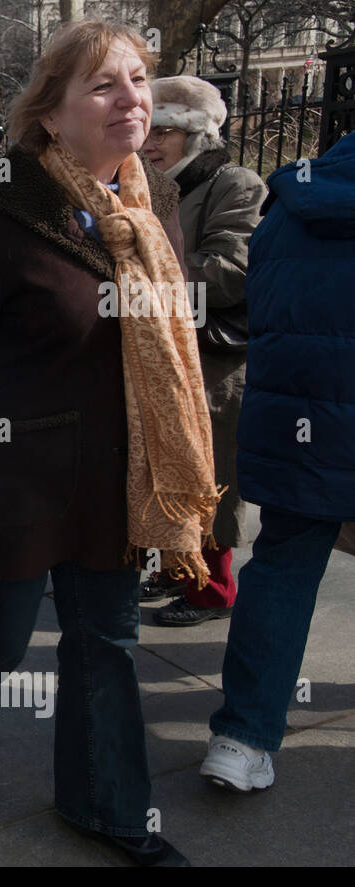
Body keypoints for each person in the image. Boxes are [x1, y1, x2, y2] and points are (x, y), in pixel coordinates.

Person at [0, 20, 216, 866]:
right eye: (104, 85)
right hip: (17, 479)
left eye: (140, 80)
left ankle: (108, 808)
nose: (132, 99)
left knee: (105, 643)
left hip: (119, 478)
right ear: (50, 113)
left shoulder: (153, 206)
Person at [196, 131, 355, 792]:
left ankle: (242, 737)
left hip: (300, 418)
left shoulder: (294, 197)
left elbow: (259, 296)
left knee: (283, 570)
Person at [139, 76, 266, 627]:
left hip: (210, 358)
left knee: (209, 468)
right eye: (148, 129)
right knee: (165, 465)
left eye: (163, 131)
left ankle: (214, 588)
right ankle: (176, 565)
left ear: (197, 133)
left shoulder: (234, 183)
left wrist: (144, 277)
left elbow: (232, 272)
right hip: (158, 348)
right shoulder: (145, 184)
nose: (150, 142)